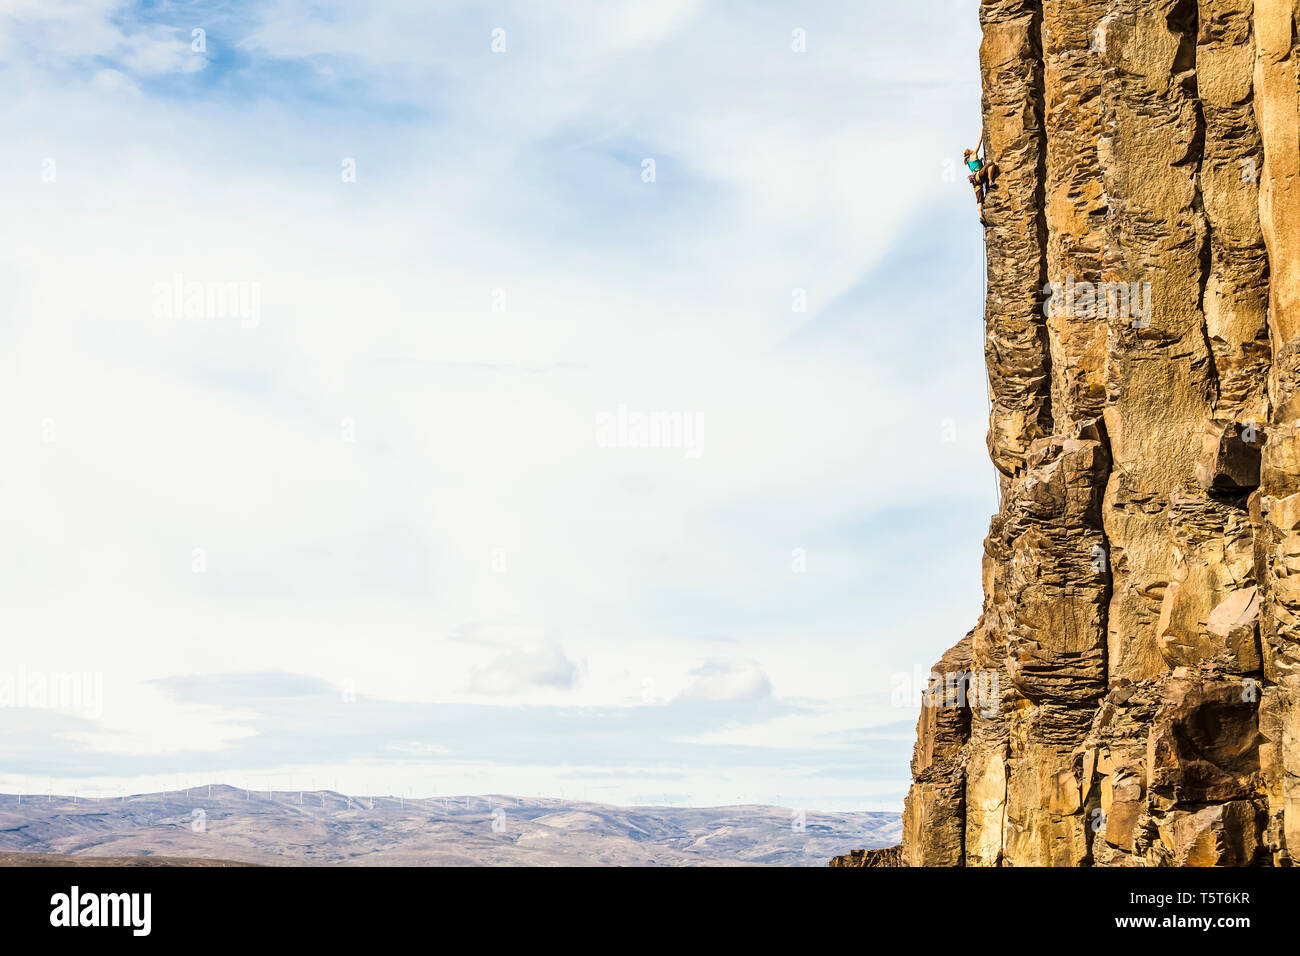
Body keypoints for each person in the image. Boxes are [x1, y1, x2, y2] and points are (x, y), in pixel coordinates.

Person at [965, 133, 999, 225]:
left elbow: (977, 164)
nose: (973, 150)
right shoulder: (973, 155)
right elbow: (979, 143)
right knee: (991, 164)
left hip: (975, 182)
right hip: (978, 176)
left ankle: (981, 216)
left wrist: (981, 160)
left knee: (979, 200)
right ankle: (991, 182)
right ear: (970, 152)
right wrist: (982, 132)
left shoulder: (969, 162)